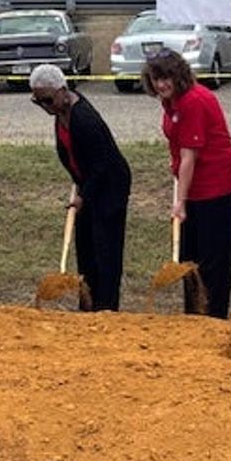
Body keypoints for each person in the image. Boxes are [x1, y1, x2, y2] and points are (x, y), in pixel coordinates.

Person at [143, 49, 231, 318]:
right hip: (194, 184)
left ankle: (213, 318)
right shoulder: (171, 102)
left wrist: (180, 202)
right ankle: (194, 315)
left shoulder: (193, 101)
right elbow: (179, 147)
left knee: (213, 259)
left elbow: (190, 156)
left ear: (179, 75)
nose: (161, 84)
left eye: (166, 77)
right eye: (156, 78)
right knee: (189, 258)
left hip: (217, 185)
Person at [29, 64, 132, 311]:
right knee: (85, 248)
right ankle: (88, 303)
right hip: (87, 184)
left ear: (63, 92)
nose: (45, 106)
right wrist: (79, 184)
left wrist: (84, 195)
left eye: (47, 99)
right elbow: (72, 156)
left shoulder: (85, 119)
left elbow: (101, 164)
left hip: (109, 187)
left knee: (104, 249)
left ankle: (106, 308)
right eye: (38, 101)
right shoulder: (60, 115)